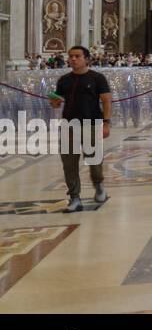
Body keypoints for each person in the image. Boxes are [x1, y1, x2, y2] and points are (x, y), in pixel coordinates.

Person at [51, 45, 112, 213]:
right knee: (69, 164)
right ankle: (75, 197)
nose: (73, 59)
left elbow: (106, 100)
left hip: (91, 124)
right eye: (70, 56)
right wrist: (54, 102)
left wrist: (106, 123)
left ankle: (98, 184)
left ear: (86, 59)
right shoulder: (64, 80)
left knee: (94, 161)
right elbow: (58, 102)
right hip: (68, 126)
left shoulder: (97, 78)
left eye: (77, 56)